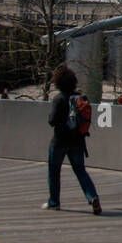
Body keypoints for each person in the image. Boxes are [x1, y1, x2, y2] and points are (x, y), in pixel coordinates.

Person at [44, 65, 102, 214]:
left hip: (59, 141)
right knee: (80, 171)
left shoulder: (59, 99)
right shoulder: (81, 98)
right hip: (77, 142)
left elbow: (52, 121)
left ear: (58, 83)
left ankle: (54, 202)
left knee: (54, 171)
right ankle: (92, 197)